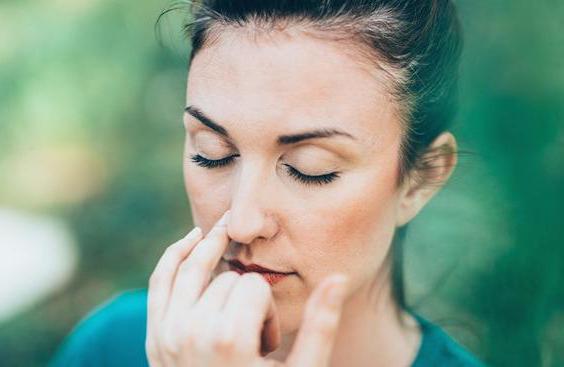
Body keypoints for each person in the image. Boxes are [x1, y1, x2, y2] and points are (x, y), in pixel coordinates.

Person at [50, 0, 486, 366]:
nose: (241, 223)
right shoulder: (111, 345)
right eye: (211, 152)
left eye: (309, 168)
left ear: (419, 179)